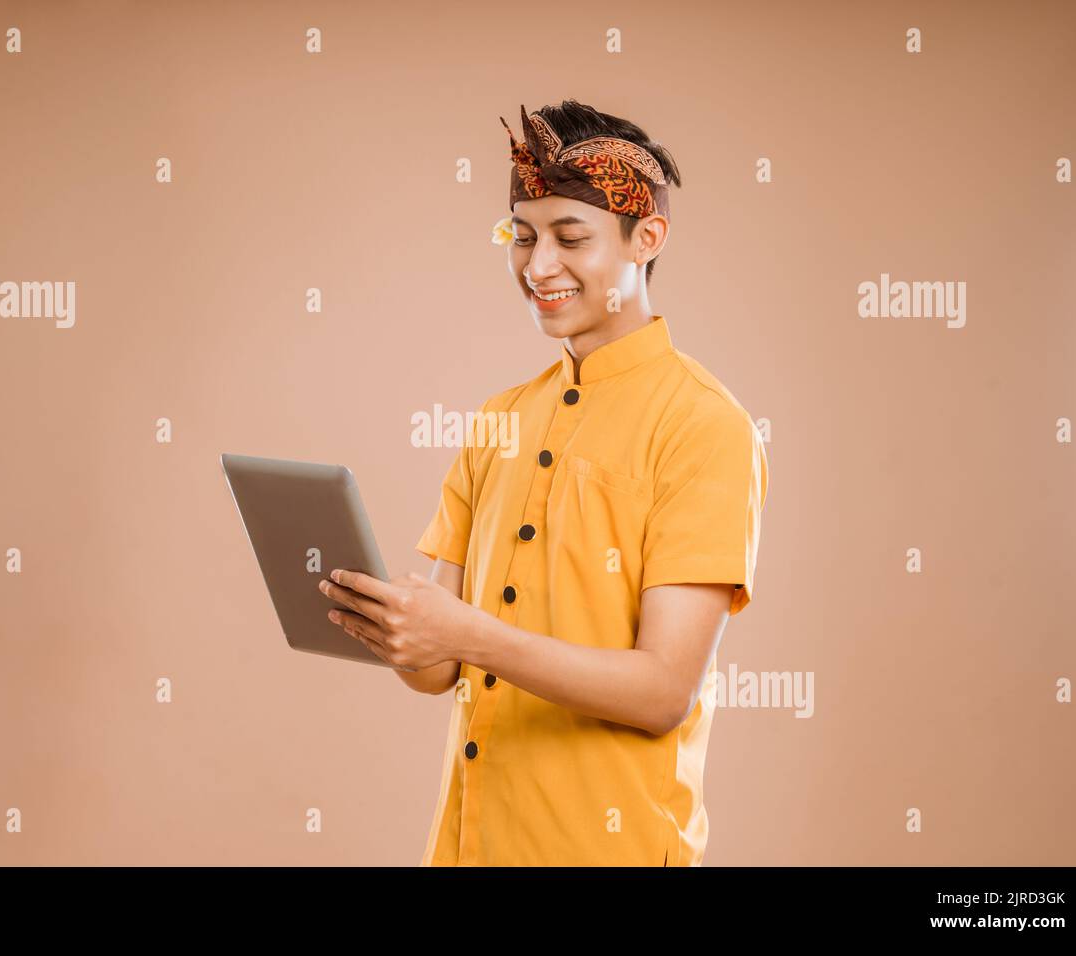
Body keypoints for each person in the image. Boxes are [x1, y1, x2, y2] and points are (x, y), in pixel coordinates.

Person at [318, 100, 769, 866]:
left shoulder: (704, 426)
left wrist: (464, 633)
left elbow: (663, 691)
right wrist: (393, 625)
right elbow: (438, 672)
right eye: (522, 237)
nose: (538, 266)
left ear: (647, 238)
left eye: (570, 237)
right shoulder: (499, 419)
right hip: (469, 845)